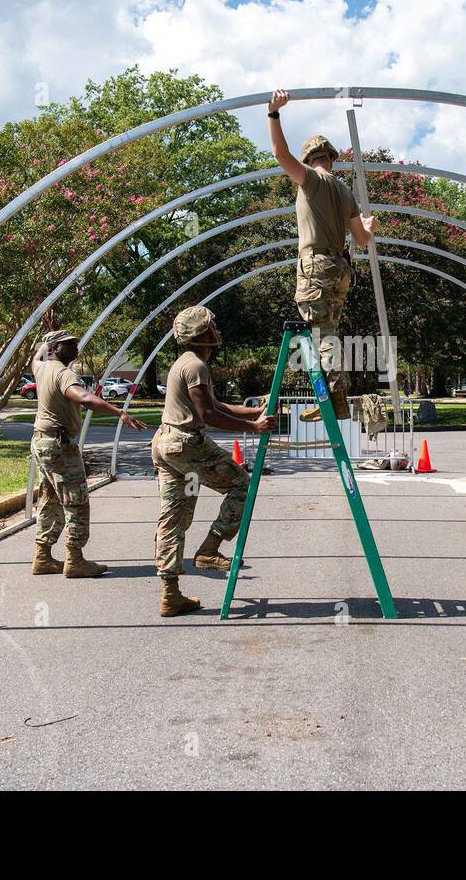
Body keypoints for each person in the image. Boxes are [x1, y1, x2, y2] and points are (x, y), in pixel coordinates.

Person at [152, 307, 274, 617]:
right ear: (200, 333)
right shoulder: (195, 366)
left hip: (167, 445)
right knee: (242, 486)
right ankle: (210, 548)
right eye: (212, 325)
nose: (217, 329)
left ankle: (170, 594)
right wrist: (254, 428)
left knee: (173, 518)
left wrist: (252, 412)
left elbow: (214, 405)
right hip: (187, 444)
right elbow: (207, 415)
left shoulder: (187, 364)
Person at [267, 88, 375, 421]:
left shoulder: (311, 180)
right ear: (330, 156)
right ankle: (336, 394)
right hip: (341, 268)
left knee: (321, 333)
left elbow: (279, 154)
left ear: (310, 160)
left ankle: (335, 397)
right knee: (330, 330)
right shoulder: (345, 192)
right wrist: (371, 226)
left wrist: (273, 114)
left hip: (316, 266)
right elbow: (362, 239)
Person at [30, 329, 146, 577]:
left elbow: (35, 358)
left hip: (42, 442)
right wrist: (120, 413)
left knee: (50, 499)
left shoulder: (41, 369)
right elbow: (83, 397)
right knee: (77, 501)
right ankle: (75, 559)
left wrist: (44, 344)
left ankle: (43, 556)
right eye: (71, 344)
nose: (76, 347)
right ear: (57, 349)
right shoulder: (63, 373)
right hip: (60, 446)